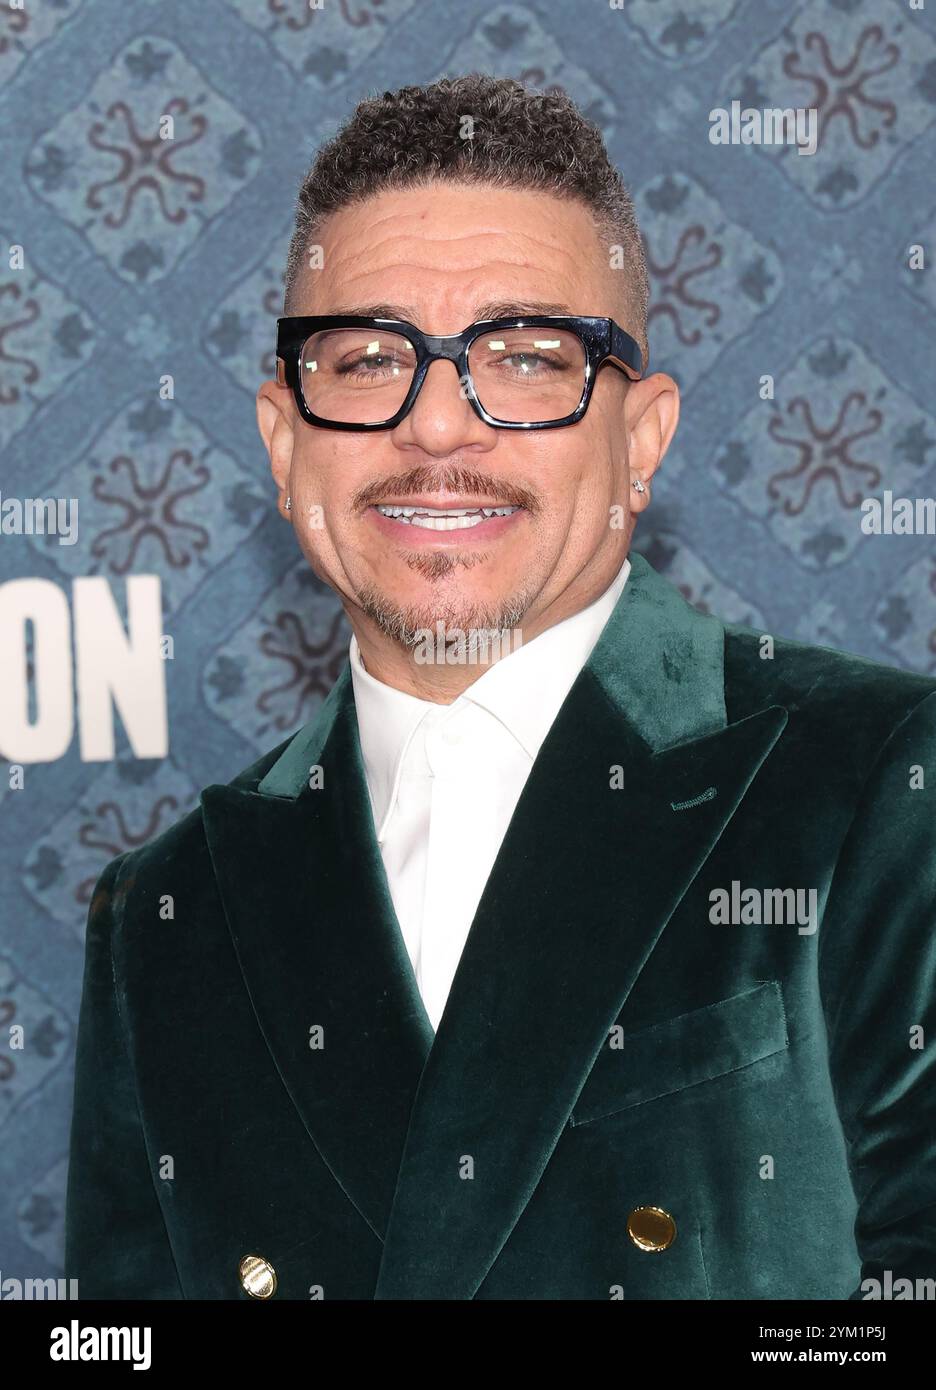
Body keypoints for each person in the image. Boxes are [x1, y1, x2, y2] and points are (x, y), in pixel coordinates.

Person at [65, 74, 936, 1301]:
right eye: (366, 360)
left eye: (525, 359)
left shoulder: (883, 783)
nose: (436, 428)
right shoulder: (165, 914)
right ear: (283, 443)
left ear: (640, 443)